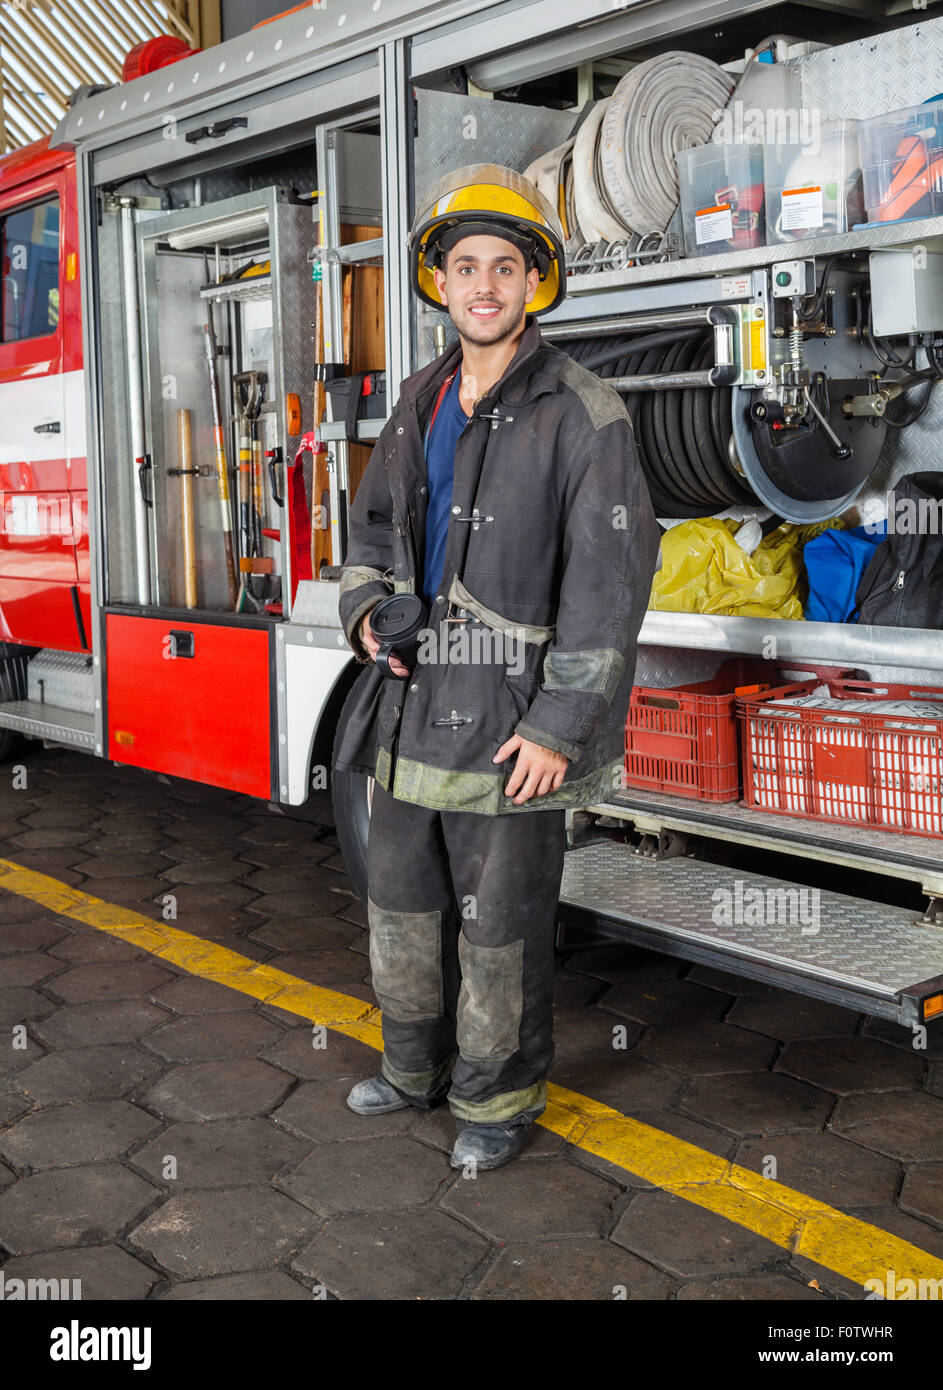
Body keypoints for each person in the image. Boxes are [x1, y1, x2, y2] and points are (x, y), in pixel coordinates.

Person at [334, 163, 659, 1170]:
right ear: (439, 280)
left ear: (535, 282)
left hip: (510, 722)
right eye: (464, 265)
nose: (483, 285)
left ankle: (495, 1103)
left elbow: (608, 586)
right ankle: (412, 1067)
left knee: (500, 932)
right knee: (400, 905)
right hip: (406, 709)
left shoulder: (583, 412)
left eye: (505, 267)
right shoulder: (420, 396)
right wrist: (362, 612)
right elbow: (373, 525)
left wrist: (560, 727)